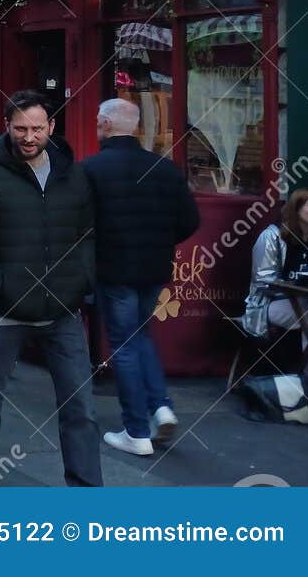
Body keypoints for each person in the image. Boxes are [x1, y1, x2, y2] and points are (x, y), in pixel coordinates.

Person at [0, 89, 101, 487]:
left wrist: (82, 279)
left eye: (37, 128)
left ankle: (88, 493)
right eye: (21, 128)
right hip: (2, 311)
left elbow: (88, 232)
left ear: (52, 127)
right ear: (7, 126)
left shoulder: (73, 173)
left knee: (81, 408)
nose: (29, 137)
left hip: (62, 310)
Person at [82, 99, 199, 456]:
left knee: (124, 344)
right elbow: (189, 220)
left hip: (114, 269)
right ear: (135, 126)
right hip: (154, 268)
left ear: (103, 123)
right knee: (140, 335)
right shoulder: (164, 168)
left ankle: (136, 430)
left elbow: (79, 223)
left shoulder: (90, 169)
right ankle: (159, 405)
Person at [245, 188, 308, 349]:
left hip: (307, 301)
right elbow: (263, 281)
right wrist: (295, 284)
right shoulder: (272, 237)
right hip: (271, 303)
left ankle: (307, 370)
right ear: (296, 209)